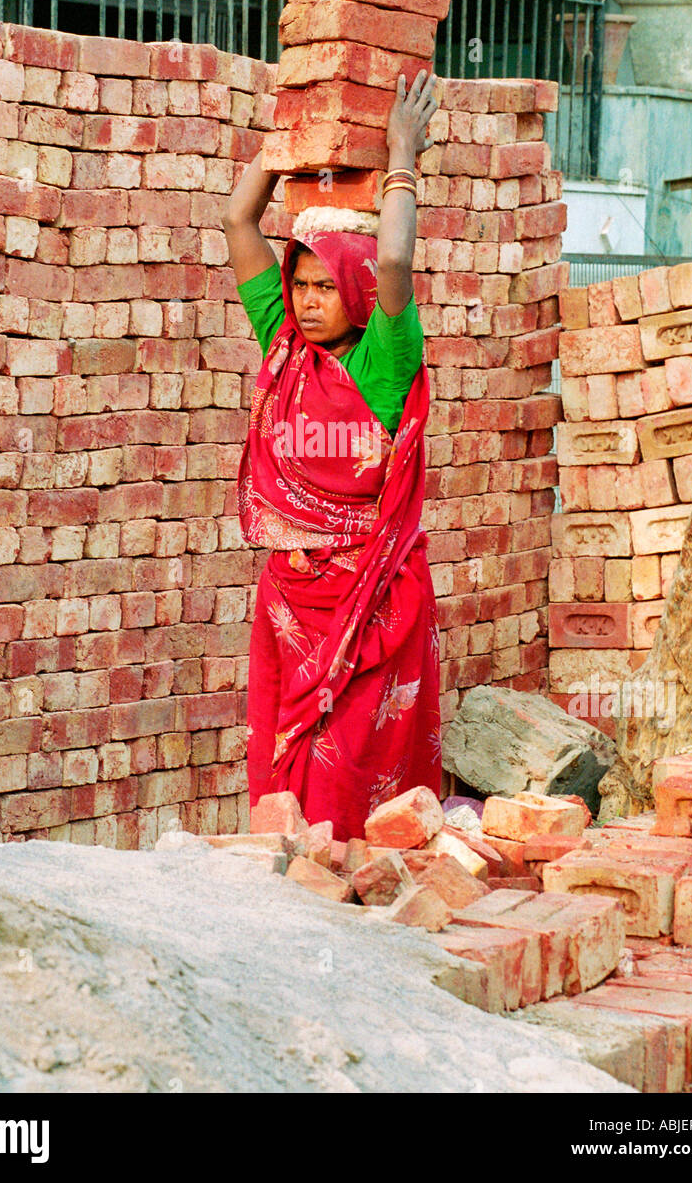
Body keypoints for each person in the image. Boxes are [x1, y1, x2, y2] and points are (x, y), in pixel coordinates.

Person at [222, 69, 442, 842]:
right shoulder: (285, 349)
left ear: (352, 286)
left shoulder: (384, 361)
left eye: (324, 286)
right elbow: (239, 221)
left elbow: (393, 266)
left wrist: (401, 154)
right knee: (287, 781)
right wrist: (287, 142)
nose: (310, 300)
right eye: (300, 285)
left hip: (371, 603)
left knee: (352, 777)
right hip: (293, 600)